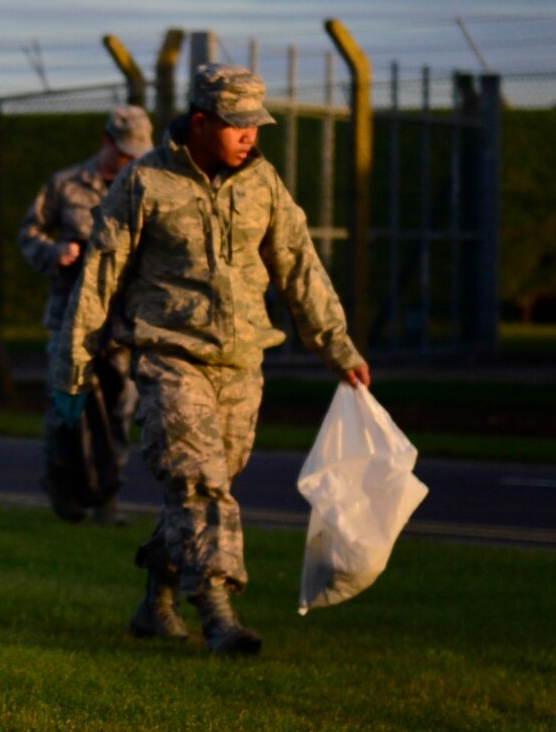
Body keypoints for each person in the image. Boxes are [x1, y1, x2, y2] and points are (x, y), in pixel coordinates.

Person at [54, 65, 369, 657]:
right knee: (199, 480)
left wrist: (338, 348)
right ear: (200, 122)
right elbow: (101, 273)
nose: (251, 135)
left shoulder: (264, 183)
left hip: (243, 363)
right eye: (237, 124)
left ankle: (156, 602)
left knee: (207, 483)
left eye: (257, 124)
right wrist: (73, 363)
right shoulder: (144, 182)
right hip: (170, 355)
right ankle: (220, 613)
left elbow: (299, 267)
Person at [18, 104, 153, 527]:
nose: (130, 160)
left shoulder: (149, 188)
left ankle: (107, 496)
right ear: (106, 140)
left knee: (119, 409)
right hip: (69, 317)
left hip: (123, 321)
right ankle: (61, 482)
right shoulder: (65, 185)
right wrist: (54, 252)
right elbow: (29, 233)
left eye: (138, 152)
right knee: (67, 405)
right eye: (124, 150)